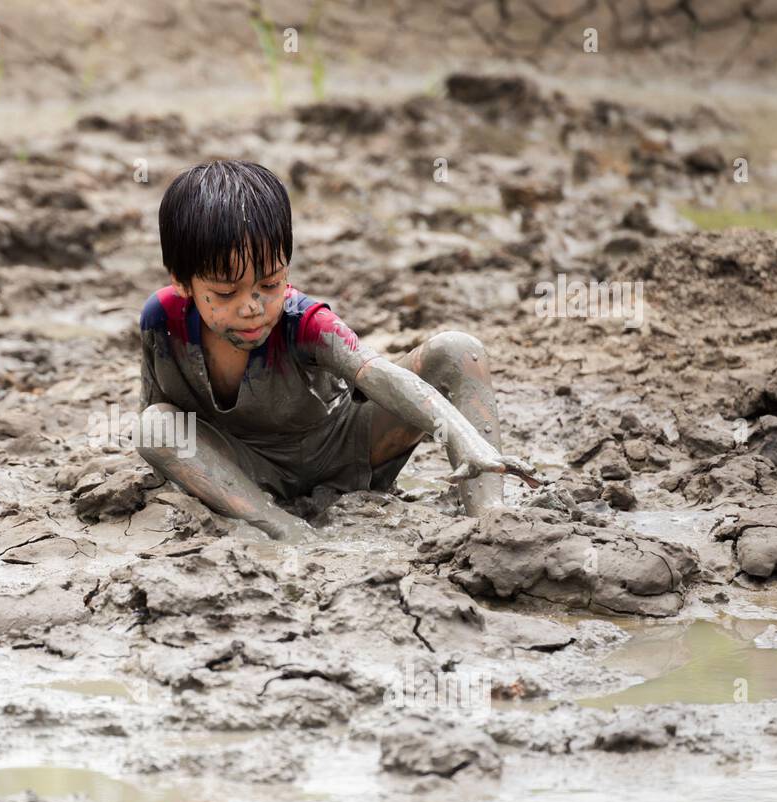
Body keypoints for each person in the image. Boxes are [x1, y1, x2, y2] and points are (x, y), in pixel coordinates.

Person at [136, 160, 537, 541]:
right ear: (183, 283)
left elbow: (376, 373)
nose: (252, 306)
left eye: (271, 284)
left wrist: (464, 437)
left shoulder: (303, 321)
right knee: (154, 425)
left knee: (458, 349)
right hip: (246, 474)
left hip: (344, 449)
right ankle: (281, 528)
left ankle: (490, 519)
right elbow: (159, 417)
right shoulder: (161, 321)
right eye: (225, 292)